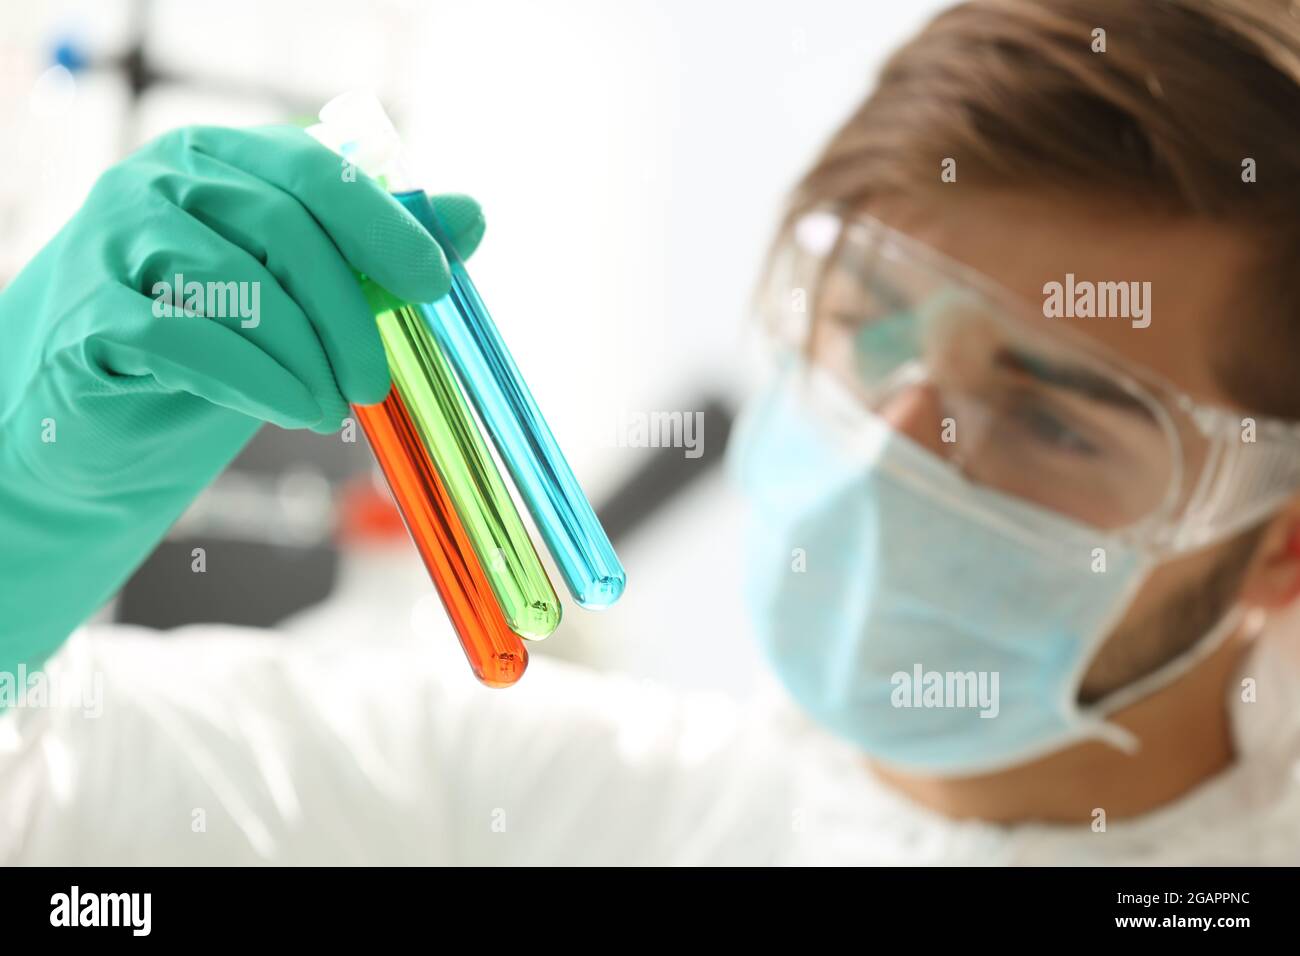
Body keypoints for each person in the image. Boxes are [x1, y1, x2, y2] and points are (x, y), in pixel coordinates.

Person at [3, 0, 1300, 865]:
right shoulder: (578, 806)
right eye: (869, 321)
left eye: (1046, 415)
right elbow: (60, 806)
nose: (893, 441)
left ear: (1278, 544)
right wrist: (18, 524)